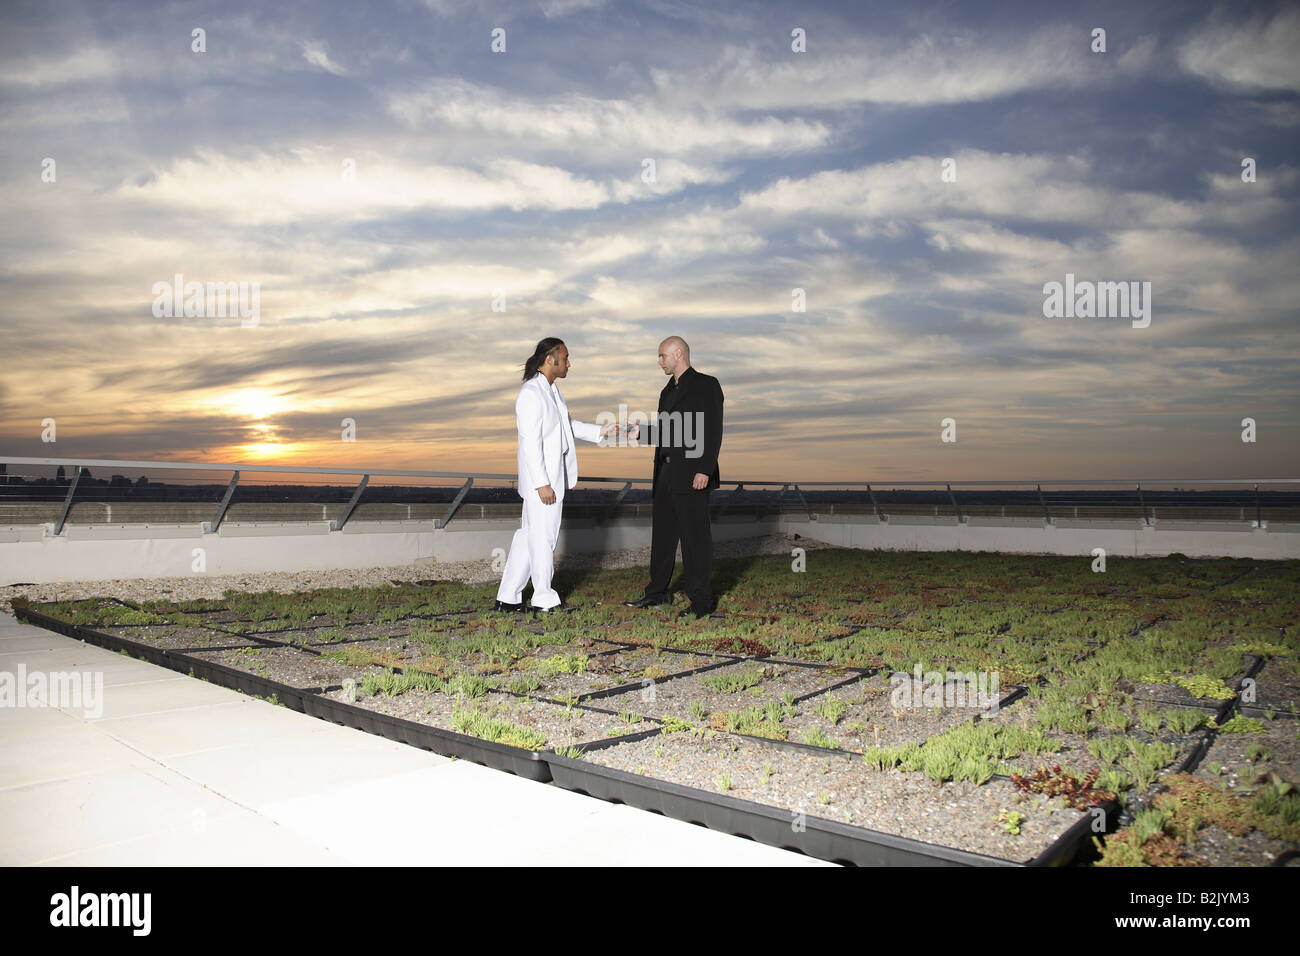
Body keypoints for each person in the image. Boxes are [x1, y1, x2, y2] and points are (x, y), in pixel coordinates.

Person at [496, 338, 623, 614]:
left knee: (529, 536)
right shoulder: (531, 393)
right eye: (565, 357)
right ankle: (543, 598)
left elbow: (568, 425)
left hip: (547, 481)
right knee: (544, 538)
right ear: (551, 358)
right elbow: (530, 443)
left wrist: (601, 431)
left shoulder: (552, 392)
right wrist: (542, 483)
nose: (569, 363)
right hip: (542, 483)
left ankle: (508, 596)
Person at [625, 336, 723, 619]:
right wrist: (641, 432)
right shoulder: (667, 390)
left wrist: (705, 468)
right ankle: (656, 594)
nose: (659, 361)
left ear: (678, 354)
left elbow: (713, 430)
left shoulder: (707, 385)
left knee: (695, 541)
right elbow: (670, 432)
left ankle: (701, 602)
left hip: (693, 474)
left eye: (662, 356)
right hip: (666, 475)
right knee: (663, 539)